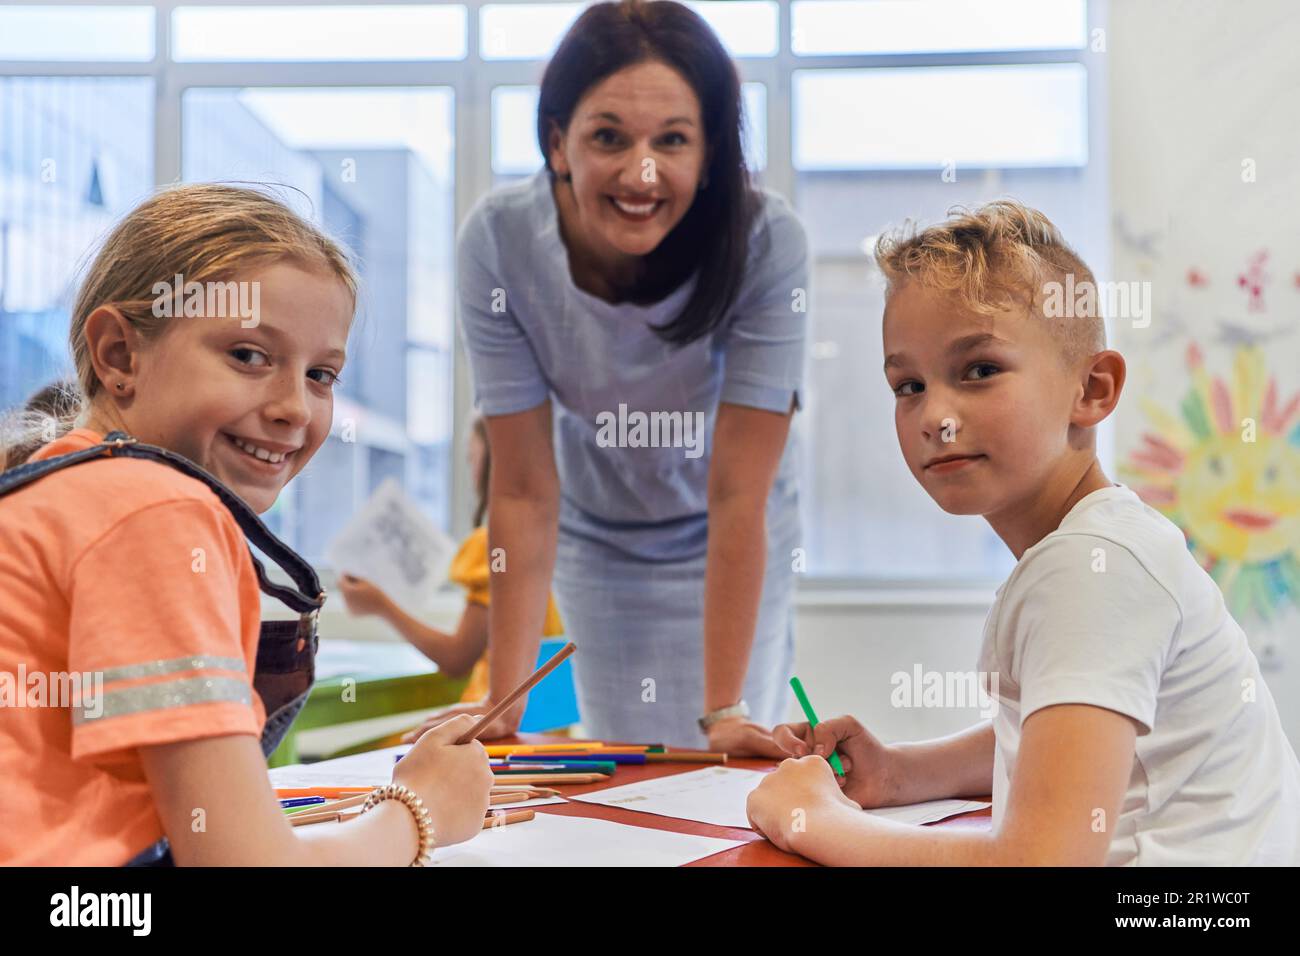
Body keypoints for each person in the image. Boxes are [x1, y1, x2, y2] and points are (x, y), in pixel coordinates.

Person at [746, 200, 1300, 865]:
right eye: (909, 385)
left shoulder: (1092, 569)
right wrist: (898, 772)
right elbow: (1060, 741)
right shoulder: (1101, 546)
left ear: (1092, 389)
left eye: (979, 370)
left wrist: (811, 820)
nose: (935, 416)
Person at [0, 183, 493, 865]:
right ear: (119, 355)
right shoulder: (154, 510)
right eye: (249, 356)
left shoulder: (60, 491)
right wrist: (421, 810)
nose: (295, 407)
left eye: (321, 374)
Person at [419, 0, 808, 754]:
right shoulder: (499, 242)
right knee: (627, 755)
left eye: (673, 139)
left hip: (728, 523)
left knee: (721, 755)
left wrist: (725, 712)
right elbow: (523, 489)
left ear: (710, 154)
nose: (642, 172)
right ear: (558, 143)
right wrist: (504, 701)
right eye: (608, 137)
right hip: (596, 528)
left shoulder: (767, 242)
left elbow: (739, 495)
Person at [337, 416, 564, 704]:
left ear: (494, 461)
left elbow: (457, 660)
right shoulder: (554, 541)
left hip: (493, 718)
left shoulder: (493, 544)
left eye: (471, 458)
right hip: (547, 722)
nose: (471, 472)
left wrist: (381, 606)